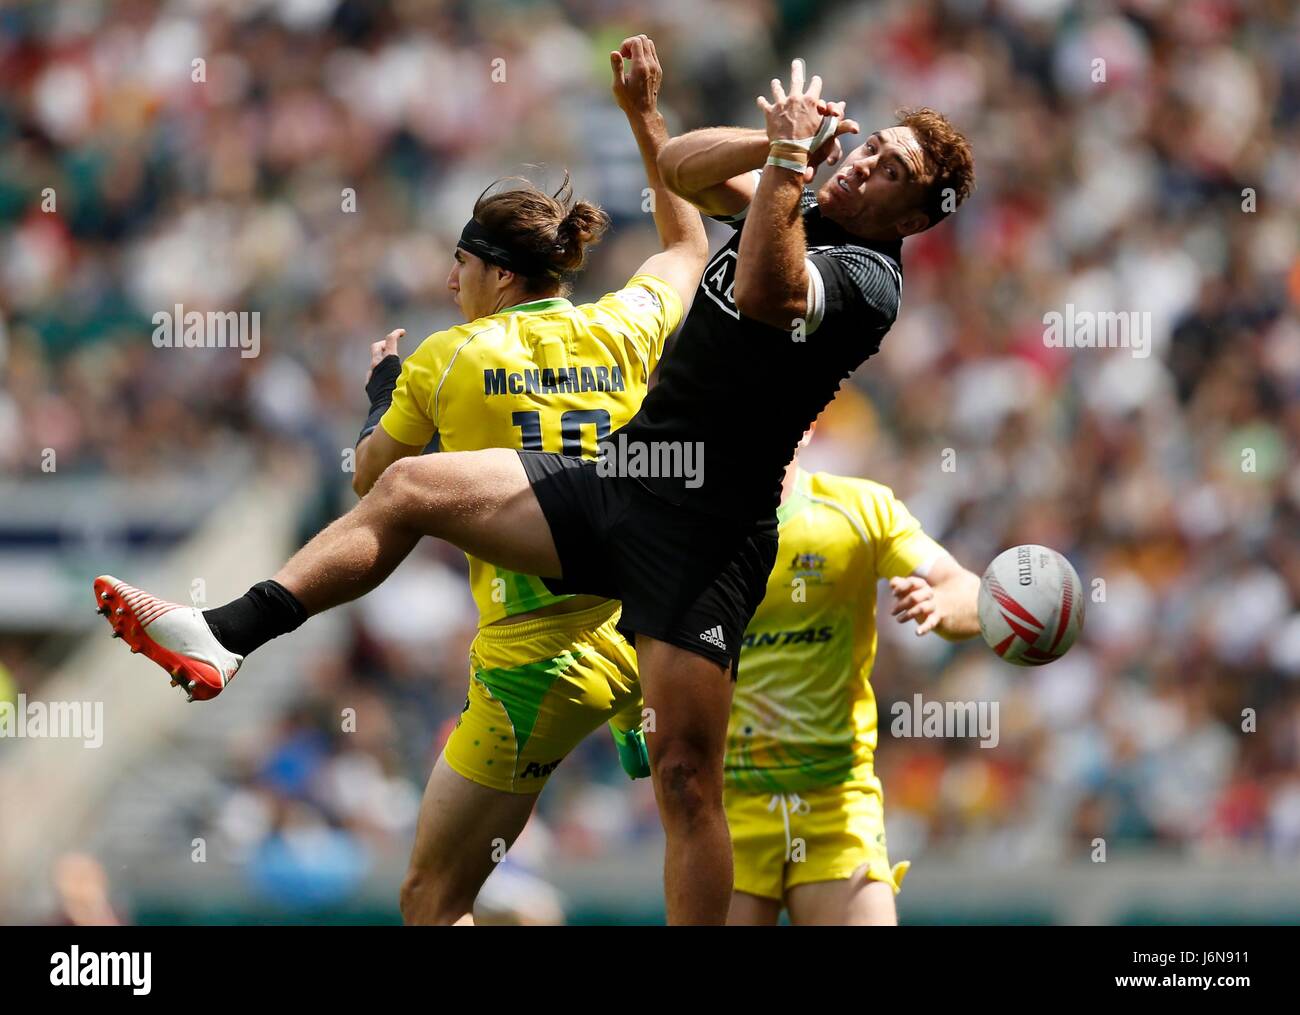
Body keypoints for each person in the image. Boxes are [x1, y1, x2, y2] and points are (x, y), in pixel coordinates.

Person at [94, 55, 974, 924]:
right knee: (406, 488)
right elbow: (681, 175)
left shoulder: (869, 281)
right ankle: (223, 635)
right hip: (630, 474)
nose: (865, 162)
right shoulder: (792, 203)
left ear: (917, 215)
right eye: (874, 146)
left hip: (707, 533)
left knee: (687, 779)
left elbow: (764, 288)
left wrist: (784, 163)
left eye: (892, 170)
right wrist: (769, 140)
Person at [95, 35, 707, 926]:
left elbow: (371, 482)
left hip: (539, 654)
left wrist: (385, 390)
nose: (447, 280)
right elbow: (688, 241)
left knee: (430, 900)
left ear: (497, 273)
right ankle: (632, 728)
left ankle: (228, 631)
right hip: (640, 631)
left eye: (458, 265)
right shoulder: (623, 324)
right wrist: (645, 115)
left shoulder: (446, 357)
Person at [724, 439, 981, 925]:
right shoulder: (684, 524)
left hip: (837, 801)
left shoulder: (861, 510)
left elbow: (965, 587)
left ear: (810, 423)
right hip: (725, 806)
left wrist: (942, 604)